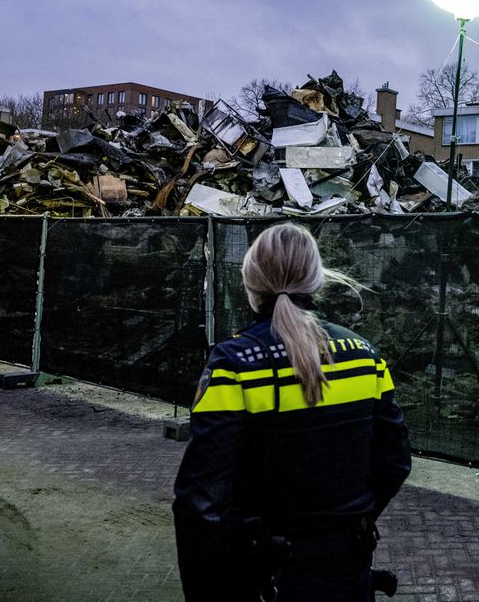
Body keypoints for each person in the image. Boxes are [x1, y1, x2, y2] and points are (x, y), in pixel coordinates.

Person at [173, 223, 411, 601]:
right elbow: (394, 462)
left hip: (267, 577)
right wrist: (351, 522)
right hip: (349, 571)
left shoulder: (233, 365)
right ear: (317, 280)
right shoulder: (366, 357)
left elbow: (201, 502)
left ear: (251, 282)